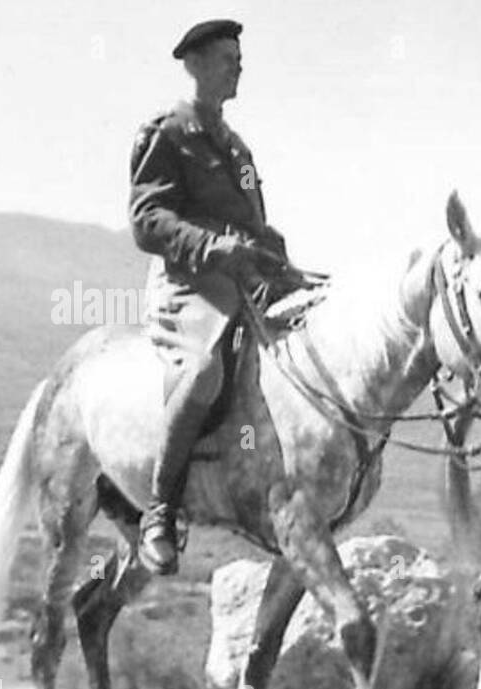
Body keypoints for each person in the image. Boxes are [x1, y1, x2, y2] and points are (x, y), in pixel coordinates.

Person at [129, 19, 294, 574]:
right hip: (188, 284)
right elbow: (147, 220)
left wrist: (278, 257)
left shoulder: (239, 150)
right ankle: (161, 509)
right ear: (194, 63)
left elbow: (255, 223)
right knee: (205, 372)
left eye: (239, 58)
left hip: (243, 283)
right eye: (228, 58)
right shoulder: (168, 133)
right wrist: (211, 247)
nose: (238, 66)